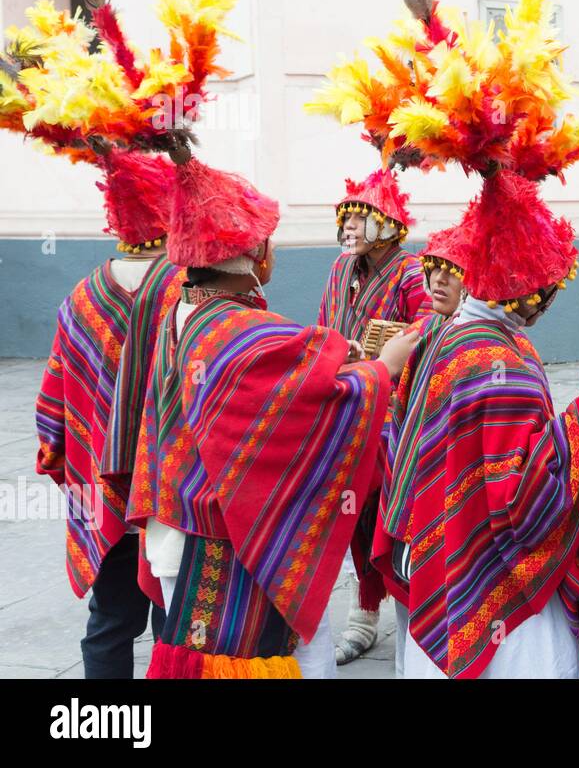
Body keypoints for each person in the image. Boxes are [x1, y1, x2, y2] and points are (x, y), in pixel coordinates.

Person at [127, 149, 418, 678]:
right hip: (222, 542)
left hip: (177, 521)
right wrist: (381, 369)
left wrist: (332, 354)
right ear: (255, 254)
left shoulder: (187, 308)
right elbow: (311, 405)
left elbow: (290, 365)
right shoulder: (243, 331)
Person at [388, 169, 579, 679]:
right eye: (546, 290)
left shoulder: (452, 337)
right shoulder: (504, 363)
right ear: (520, 290)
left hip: (448, 560)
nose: (547, 304)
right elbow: (523, 507)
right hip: (501, 594)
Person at [35, 148, 181, 678]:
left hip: (102, 487)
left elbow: (54, 409)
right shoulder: (190, 291)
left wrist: (65, 457)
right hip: (170, 492)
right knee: (174, 621)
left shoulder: (81, 298)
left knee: (110, 620)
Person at [318, 165, 432, 665]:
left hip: (396, 416)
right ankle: (362, 613)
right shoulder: (341, 269)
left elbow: (429, 327)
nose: (349, 229)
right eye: (345, 218)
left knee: (386, 513)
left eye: (359, 219)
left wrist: (386, 350)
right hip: (348, 403)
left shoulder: (411, 273)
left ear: (387, 226)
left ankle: (400, 611)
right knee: (349, 516)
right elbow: (325, 326)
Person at [375, 226, 468, 677]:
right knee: (407, 605)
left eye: (452, 272)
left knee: (436, 613)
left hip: (448, 503)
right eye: (433, 269)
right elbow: (402, 408)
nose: (437, 280)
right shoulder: (422, 331)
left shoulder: (478, 346)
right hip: (409, 493)